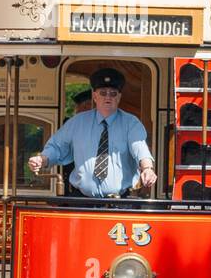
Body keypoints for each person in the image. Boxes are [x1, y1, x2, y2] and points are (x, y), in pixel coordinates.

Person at [28, 67, 156, 197]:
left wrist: (147, 168)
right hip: (81, 200)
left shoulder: (131, 123)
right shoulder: (77, 122)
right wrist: (42, 159)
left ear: (119, 97)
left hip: (119, 202)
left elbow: (140, 148)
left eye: (113, 93)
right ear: (94, 96)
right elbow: (57, 146)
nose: (108, 97)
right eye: (103, 93)